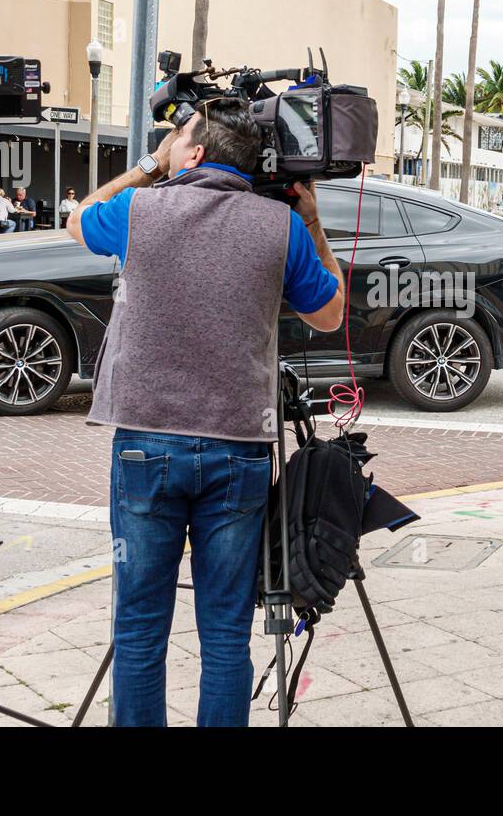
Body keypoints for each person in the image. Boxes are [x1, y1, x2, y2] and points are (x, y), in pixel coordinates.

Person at [66, 98, 344, 726]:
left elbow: (77, 218)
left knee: (138, 628)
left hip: (146, 444)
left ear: (193, 154)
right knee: (224, 633)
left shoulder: (139, 209)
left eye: (177, 140)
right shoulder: (281, 227)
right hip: (238, 449)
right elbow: (329, 314)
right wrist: (312, 221)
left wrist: (147, 165)